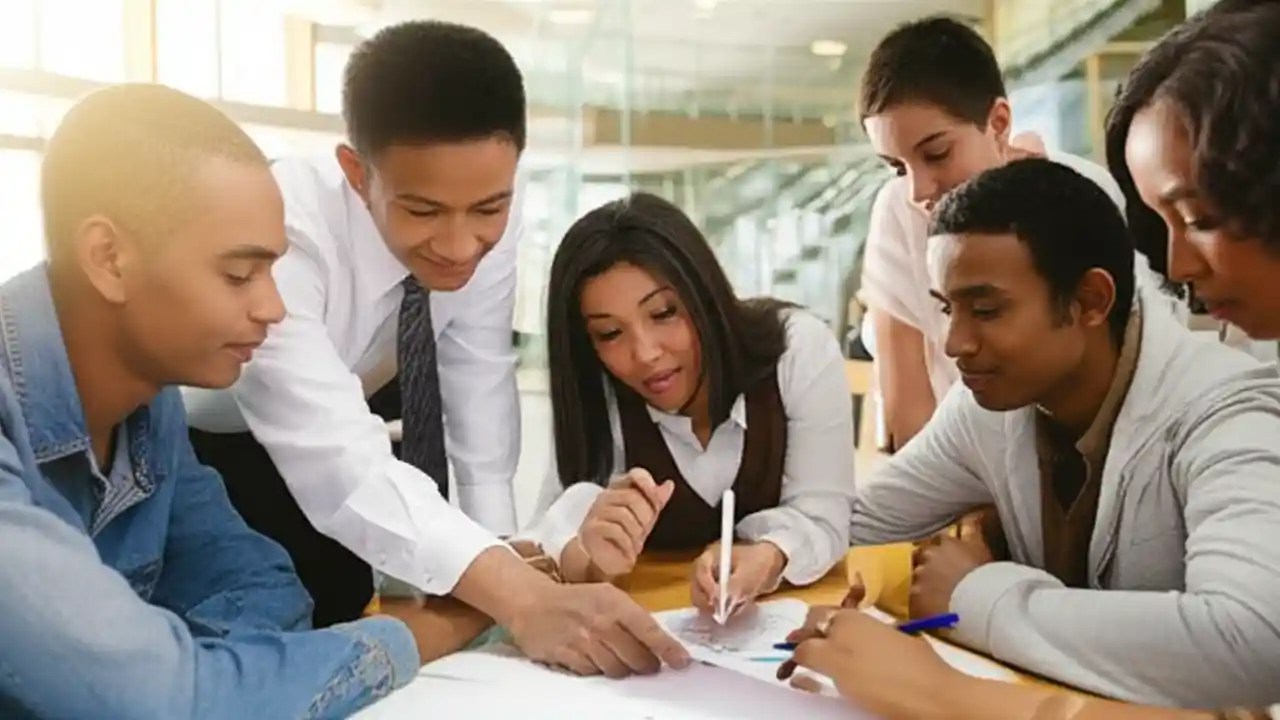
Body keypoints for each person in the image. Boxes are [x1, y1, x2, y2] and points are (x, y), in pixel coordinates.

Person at [181, 21, 690, 678]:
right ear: (356, 172)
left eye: (488, 208)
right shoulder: (284, 230)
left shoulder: (483, 208)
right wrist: (522, 597)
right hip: (224, 444)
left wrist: (510, 572)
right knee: (302, 634)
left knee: (414, 606)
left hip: (361, 412)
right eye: (423, 211)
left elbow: (479, 385)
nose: (459, 245)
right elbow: (338, 459)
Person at [0, 84, 509, 719]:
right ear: (109, 258)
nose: (273, 307)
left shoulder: (149, 409)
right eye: (239, 275)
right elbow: (161, 698)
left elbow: (262, 591)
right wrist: (432, 631)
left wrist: (212, 686)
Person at [846, 158, 1280, 707]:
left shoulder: (1225, 407)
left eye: (985, 309)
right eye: (946, 308)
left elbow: (1255, 640)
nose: (955, 343)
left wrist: (978, 597)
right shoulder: (985, 407)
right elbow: (855, 522)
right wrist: (777, 546)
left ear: (1091, 302)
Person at [522, 193, 855, 614]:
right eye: (609, 333)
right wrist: (591, 561)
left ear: (705, 295)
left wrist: (769, 555)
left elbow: (824, 514)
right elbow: (548, 530)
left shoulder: (796, 350)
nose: (644, 354)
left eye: (663, 313)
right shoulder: (601, 390)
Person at [856, 16, 1169, 451]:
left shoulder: (1077, 194)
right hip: (948, 465)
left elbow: (1122, 369)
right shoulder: (897, 209)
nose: (918, 189)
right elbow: (906, 418)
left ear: (999, 122)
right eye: (895, 166)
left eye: (937, 153)